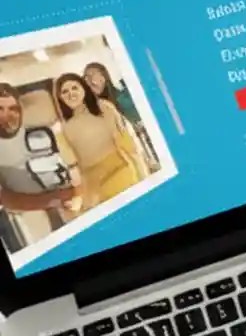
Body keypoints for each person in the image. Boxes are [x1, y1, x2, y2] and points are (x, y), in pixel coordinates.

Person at [0, 83, 83, 248]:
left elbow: (69, 167)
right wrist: (54, 199)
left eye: (13, 108)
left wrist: (74, 192)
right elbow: (6, 199)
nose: (7, 115)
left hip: (71, 212)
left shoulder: (37, 134)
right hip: (31, 226)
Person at [56, 73, 144, 205]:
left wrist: (142, 172)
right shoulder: (63, 127)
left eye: (75, 88)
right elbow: (72, 164)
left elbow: (127, 143)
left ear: (84, 88)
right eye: (65, 91)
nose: (71, 94)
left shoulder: (102, 107)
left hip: (120, 173)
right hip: (93, 186)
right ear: (60, 97)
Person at [84, 61, 159, 172]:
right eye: (85, 77)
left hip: (142, 150)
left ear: (103, 77)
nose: (88, 81)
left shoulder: (122, 99)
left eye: (92, 75)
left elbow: (139, 125)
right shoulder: (94, 107)